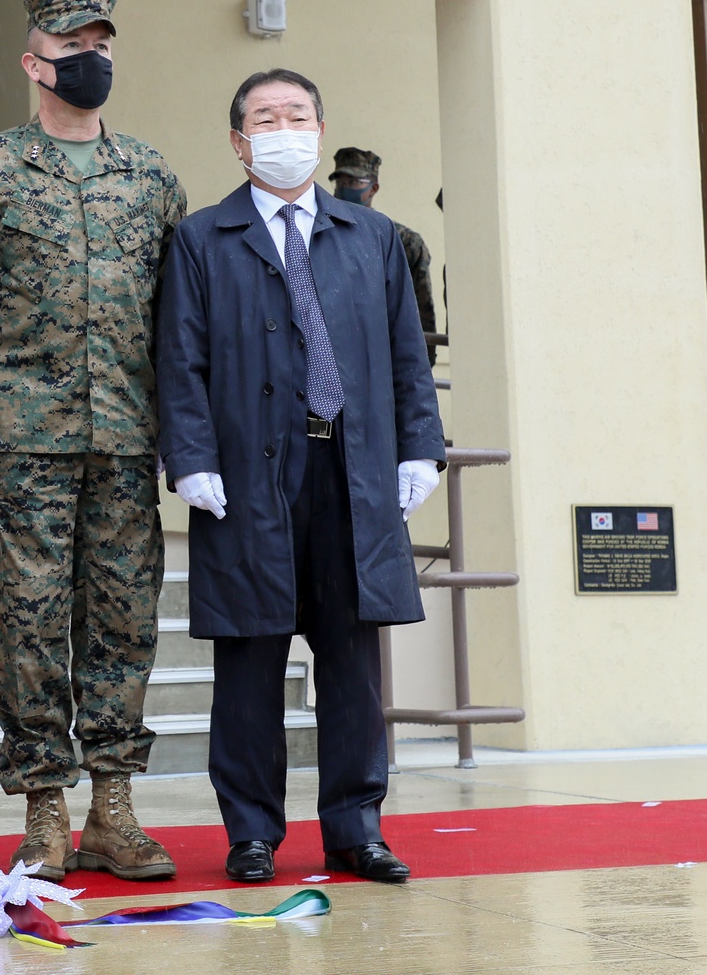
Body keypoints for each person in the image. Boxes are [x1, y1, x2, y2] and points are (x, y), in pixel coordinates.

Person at [155, 68, 445, 887]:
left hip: (350, 474)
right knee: (248, 660)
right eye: (265, 117)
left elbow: (405, 357)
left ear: (319, 130)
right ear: (240, 141)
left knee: (352, 661)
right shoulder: (203, 238)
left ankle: (356, 827)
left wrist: (420, 446)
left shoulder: (373, 237)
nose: (284, 129)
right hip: (249, 477)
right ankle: (252, 831)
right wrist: (191, 459)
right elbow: (181, 361)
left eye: (298, 115)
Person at [0, 0, 187, 882]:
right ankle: (45, 809)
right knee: (30, 625)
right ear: (35, 62)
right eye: (75, 46)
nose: (92, 60)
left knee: (123, 624)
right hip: (22, 441)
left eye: (103, 44)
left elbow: (178, 317)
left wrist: (183, 430)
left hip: (124, 439)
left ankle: (114, 807)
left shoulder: (151, 177)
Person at [328, 147, 437, 344]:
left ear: (373, 188)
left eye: (353, 182)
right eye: (340, 181)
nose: (344, 188)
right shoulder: (320, 236)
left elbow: (421, 310)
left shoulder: (403, 241)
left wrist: (422, 363)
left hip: (383, 348)